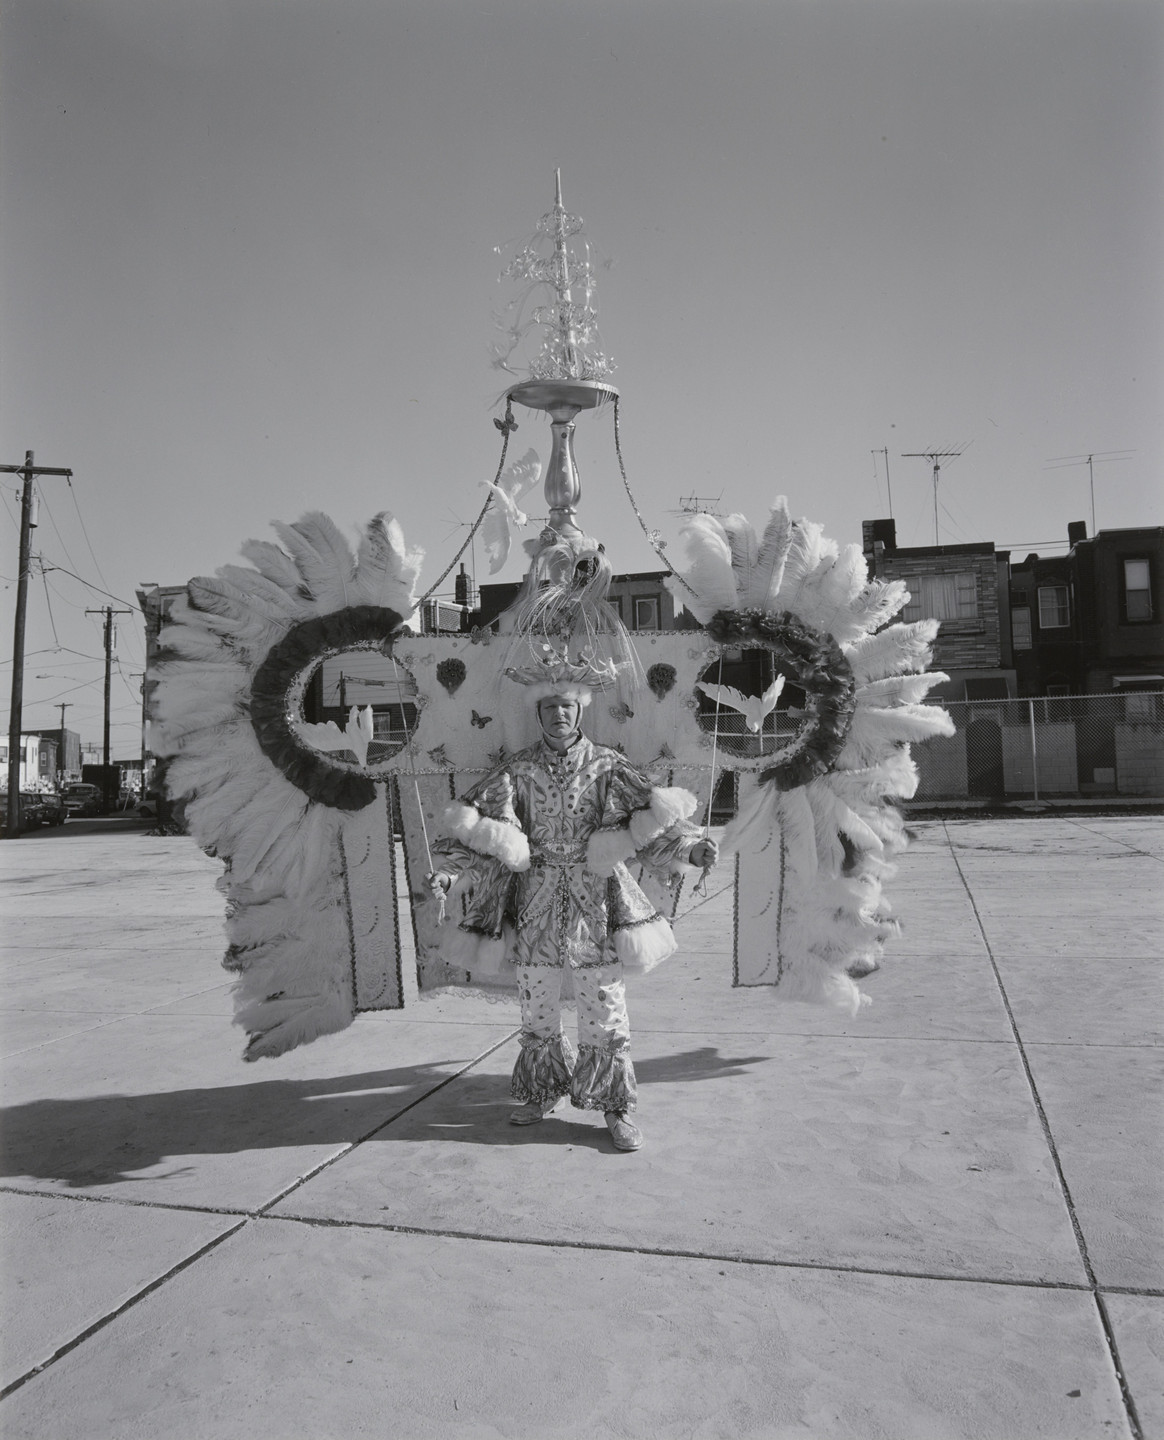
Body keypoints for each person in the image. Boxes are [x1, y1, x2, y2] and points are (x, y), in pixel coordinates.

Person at [427, 685, 718, 1152]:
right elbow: (478, 833)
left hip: (595, 902)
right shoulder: (517, 769)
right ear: (538, 713)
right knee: (536, 1003)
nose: (559, 714)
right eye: (550, 706)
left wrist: (693, 849)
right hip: (533, 901)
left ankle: (614, 1106)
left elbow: (651, 823)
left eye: (567, 706)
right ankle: (544, 1090)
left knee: (603, 1004)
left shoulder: (607, 765)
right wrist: (446, 874)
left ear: (580, 709)